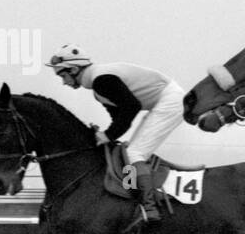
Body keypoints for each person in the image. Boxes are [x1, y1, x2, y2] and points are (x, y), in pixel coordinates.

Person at [46, 44, 185, 223]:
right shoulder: (98, 90)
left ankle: (149, 207)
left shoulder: (101, 80)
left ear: (73, 69)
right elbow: (120, 119)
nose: (63, 82)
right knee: (130, 152)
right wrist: (106, 134)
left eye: (63, 76)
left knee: (135, 152)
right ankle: (133, 193)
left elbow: (131, 108)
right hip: (162, 102)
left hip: (171, 100)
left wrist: (108, 135)